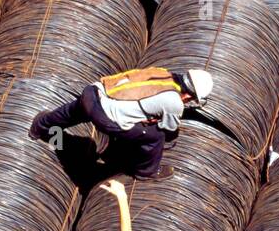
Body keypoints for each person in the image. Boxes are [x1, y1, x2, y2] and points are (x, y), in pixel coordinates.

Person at [29, 65, 213, 181]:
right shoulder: (174, 102)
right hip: (104, 116)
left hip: (93, 92)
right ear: (189, 96)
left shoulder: (162, 73)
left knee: (72, 112)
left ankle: (40, 126)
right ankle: (147, 172)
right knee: (155, 136)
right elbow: (169, 129)